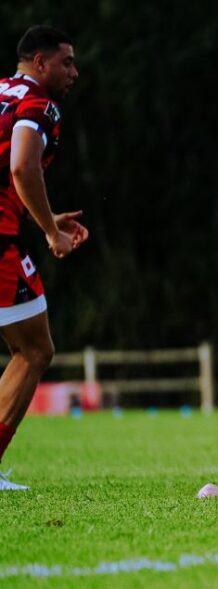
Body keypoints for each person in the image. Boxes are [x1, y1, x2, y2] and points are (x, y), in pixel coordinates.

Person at [0, 26, 88, 490]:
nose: (73, 71)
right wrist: (50, 231)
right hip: (0, 240)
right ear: (40, 62)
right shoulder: (39, 104)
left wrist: (45, 215)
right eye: (66, 62)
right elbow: (20, 165)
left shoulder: (1, 91)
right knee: (34, 349)